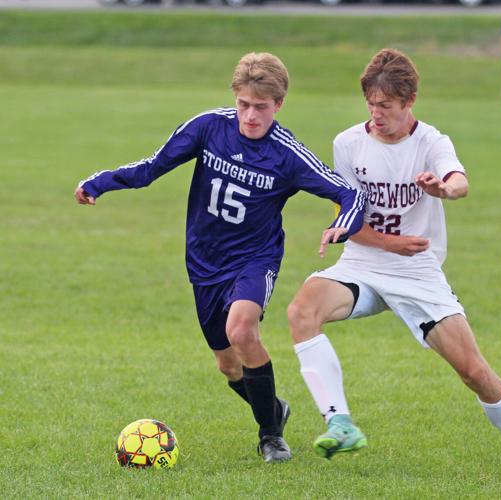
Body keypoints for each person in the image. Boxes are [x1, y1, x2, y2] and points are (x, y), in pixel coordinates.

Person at [74, 52, 365, 462]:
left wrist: (344, 225)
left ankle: (270, 437)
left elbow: (349, 193)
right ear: (235, 98)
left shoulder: (287, 154)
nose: (250, 116)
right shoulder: (208, 127)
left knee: (242, 330)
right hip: (204, 260)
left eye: (260, 108)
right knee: (229, 367)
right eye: (243, 105)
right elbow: (152, 167)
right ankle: (274, 409)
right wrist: (99, 182)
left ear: (278, 104)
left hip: (254, 259)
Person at [287, 48, 501, 468]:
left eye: (385, 105)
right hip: (362, 266)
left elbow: (459, 182)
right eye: (370, 104)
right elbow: (350, 215)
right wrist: (375, 239)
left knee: (474, 372)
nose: (376, 113)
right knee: (301, 310)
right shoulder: (348, 144)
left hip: (418, 274)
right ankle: (340, 423)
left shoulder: (431, 142)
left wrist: (443, 189)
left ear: (409, 102)